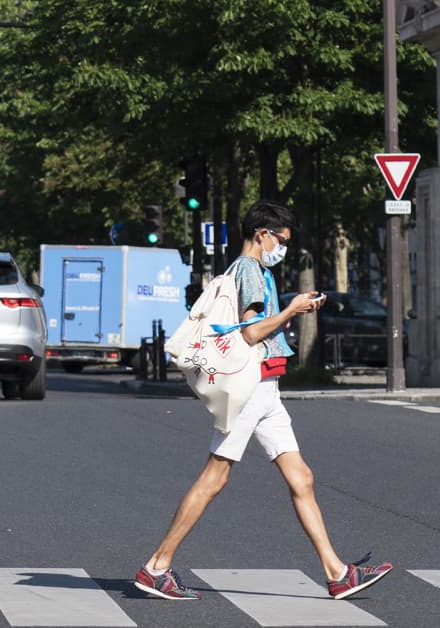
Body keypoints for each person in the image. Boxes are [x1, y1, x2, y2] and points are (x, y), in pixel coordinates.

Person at [134, 200, 392, 601]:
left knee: (300, 477)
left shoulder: (250, 271)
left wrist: (293, 306)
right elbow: (252, 333)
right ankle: (157, 567)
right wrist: (292, 308)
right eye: (281, 239)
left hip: (266, 390)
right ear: (262, 235)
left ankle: (337, 573)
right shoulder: (251, 271)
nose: (283, 247)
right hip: (251, 388)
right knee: (215, 476)